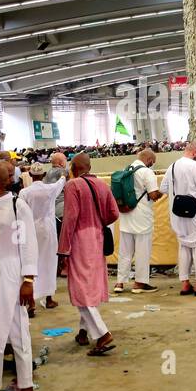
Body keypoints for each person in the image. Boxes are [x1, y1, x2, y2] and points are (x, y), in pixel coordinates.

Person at [0, 162, 38, 391]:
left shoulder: (17, 206)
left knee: (17, 329)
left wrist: (28, 280)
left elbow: (27, 244)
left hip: (13, 272)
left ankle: (26, 385)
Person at [58, 153, 119, 356]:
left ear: (74, 168)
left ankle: (102, 333)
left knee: (80, 287)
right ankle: (83, 332)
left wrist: (63, 248)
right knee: (89, 283)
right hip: (97, 237)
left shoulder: (73, 185)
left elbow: (70, 217)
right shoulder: (102, 184)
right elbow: (114, 213)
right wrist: (98, 222)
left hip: (79, 238)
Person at [160, 142, 196, 295]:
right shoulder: (195, 166)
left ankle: (185, 284)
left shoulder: (172, 166)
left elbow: (163, 188)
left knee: (184, 246)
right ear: (195, 153)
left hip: (177, 214)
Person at [113, 149, 162, 293]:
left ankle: (120, 283)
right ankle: (139, 283)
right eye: (152, 162)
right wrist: (162, 191)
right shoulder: (147, 172)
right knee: (142, 251)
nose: (152, 165)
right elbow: (153, 195)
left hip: (126, 215)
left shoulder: (126, 169)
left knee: (124, 252)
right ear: (149, 160)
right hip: (142, 217)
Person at [20, 163, 66, 311]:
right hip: (48, 229)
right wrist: (65, 174)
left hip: (31, 228)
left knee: (32, 261)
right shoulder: (50, 188)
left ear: (31, 176)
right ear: (44, 175)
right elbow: (62, 181)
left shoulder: (25, 193)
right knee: (49, 262)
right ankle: (48, 298)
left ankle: (31, 303)